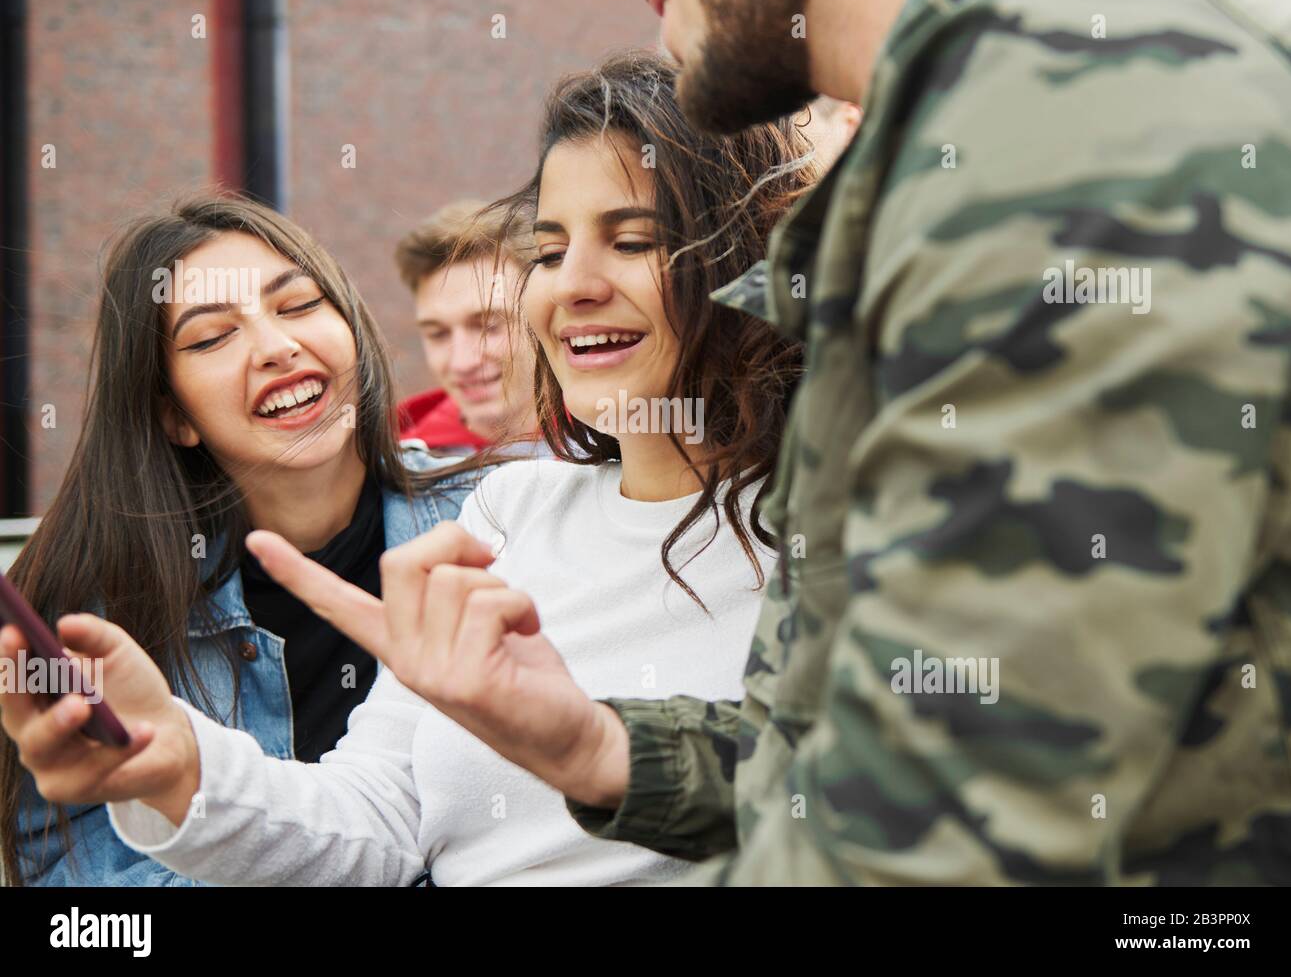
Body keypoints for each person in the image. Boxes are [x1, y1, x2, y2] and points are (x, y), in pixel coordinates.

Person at [214, 0, 1291, 886]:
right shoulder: (999, 117)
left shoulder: (1072, 127)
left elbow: (942, 827)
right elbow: (837, 772)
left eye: (634, 239)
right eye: (549, 249)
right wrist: (596, 747)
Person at [1, 51, 817, 886]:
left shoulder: (843, 525)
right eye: (548, 249)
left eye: (634, 240)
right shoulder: (510, 509)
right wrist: (183, 770)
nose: (570, 286)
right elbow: (382, 816)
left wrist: (591, 747)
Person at [0, 192, 482, 886]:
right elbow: (80, 899)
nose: (277, 346)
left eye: (297, 305)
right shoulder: (97, 610)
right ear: (174, 415)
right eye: (211, 337)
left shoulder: (491, 517)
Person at [394, 201, 541, 455]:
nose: (462, 362)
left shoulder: (618, 447)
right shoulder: (396, 470)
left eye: (488, 327)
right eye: (437, 334)